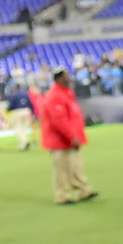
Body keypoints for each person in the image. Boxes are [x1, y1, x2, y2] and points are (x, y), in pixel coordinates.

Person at [40, 70, 97, 206]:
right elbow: (59, 120)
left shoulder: (66, 92)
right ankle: (62, 196)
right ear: (59, 78)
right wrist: (72, 136)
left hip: (71, 138)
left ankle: (83, 191)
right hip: (60, 140)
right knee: (62, 170)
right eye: (66, 76)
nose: (69, 78)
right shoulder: (54, 95)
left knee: (76, 166)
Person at [5, 83, 34, 150]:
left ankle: (24, 141)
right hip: (26, 111)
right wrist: (32, 112)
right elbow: (30, 103)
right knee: (23, 128)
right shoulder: (25, 93)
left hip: (17, 111)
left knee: (18, 128)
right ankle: (22, 144)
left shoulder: (14, 94)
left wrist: (8, 111)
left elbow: (11, 105)